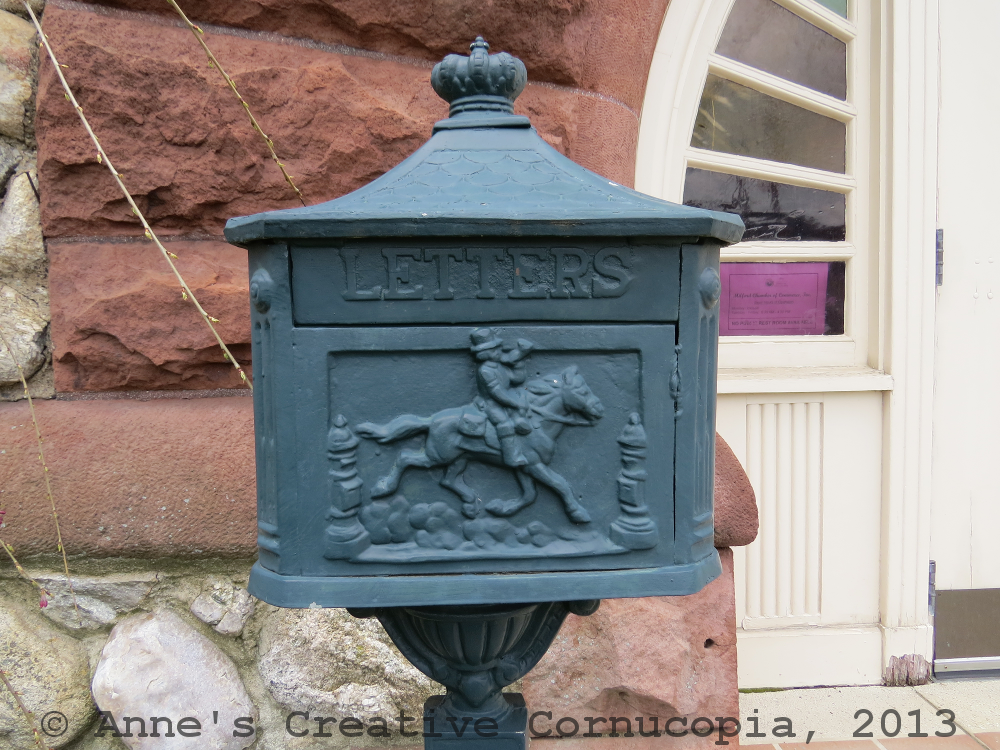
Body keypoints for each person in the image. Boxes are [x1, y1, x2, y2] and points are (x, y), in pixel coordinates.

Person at [469, 329, 535, 467]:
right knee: (505, 424)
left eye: (498, 348)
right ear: (485, 354)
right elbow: (496, 392)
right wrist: (515, 404)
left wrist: (518, 363)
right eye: (494, 350)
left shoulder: (499, 366)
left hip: (506, 399)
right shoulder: (485, 371)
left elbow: (516, 379)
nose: (499, 352)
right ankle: (512, 456)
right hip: (490, 404)